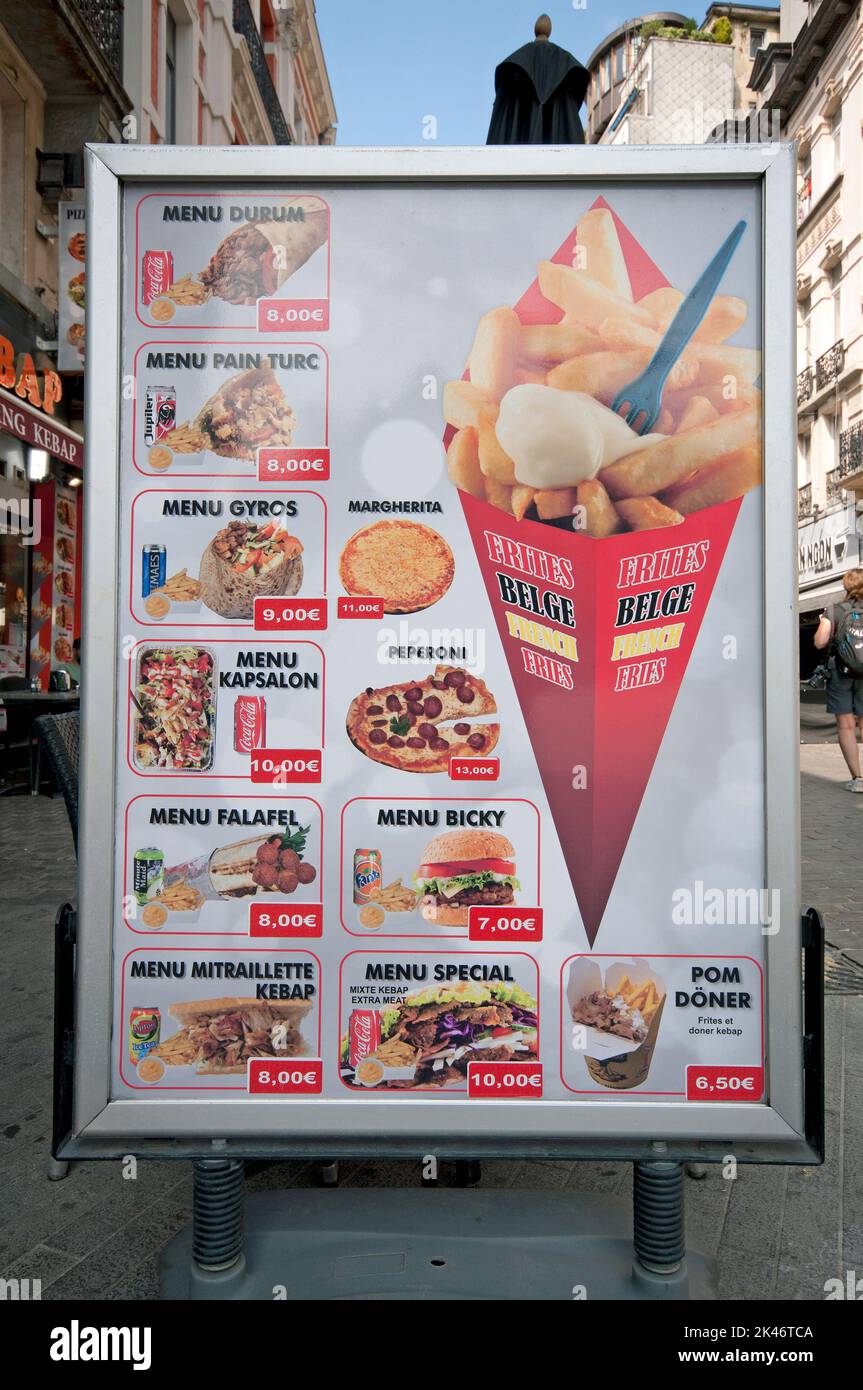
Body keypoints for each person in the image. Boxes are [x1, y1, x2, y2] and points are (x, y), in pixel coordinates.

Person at [814, 568, 863, 792]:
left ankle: (858, 779)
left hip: (841, 672)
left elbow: (820, 642)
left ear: (845, 586)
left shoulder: (834, 610)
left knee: (846, 726)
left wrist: (823, 622)